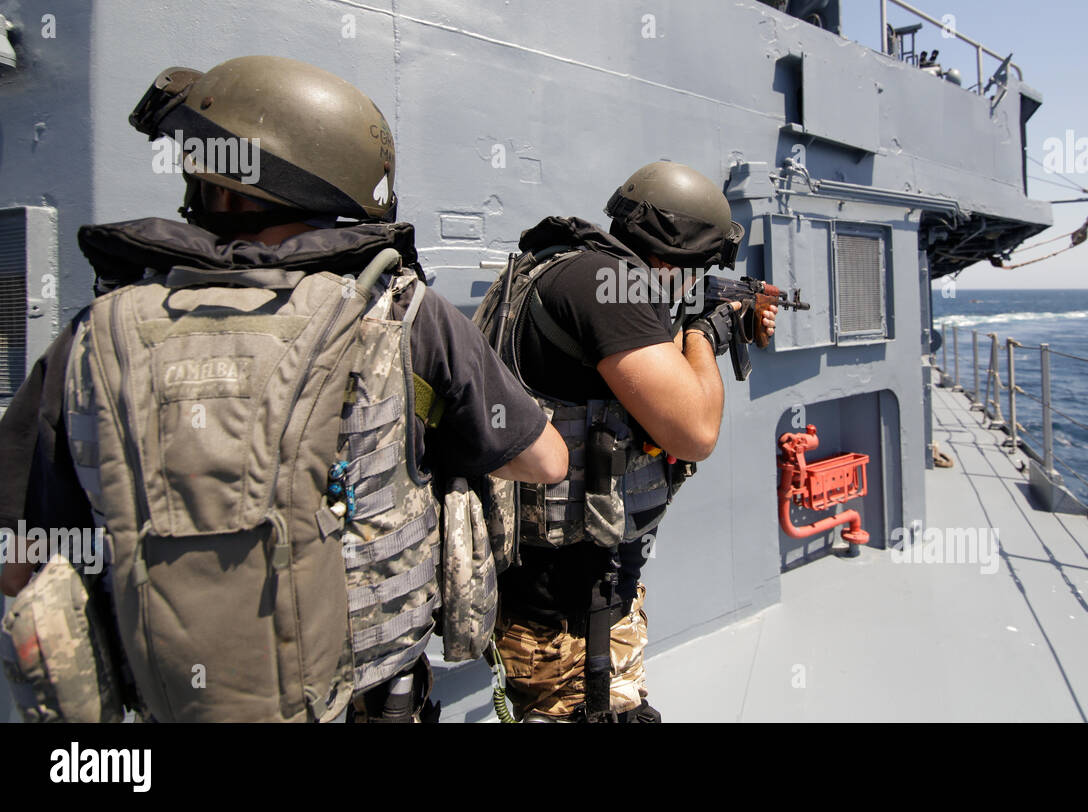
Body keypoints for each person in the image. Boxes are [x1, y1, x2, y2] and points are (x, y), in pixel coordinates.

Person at [0, 55, 568, 723]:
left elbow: (21, 564)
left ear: (216, 189)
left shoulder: (100, 331)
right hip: (366, 703)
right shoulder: (405, 313)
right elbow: (545, 460)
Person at [480, 161, 776, 722]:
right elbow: (696, 433)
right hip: (573, 621)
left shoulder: (561, 269)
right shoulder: (608, 289)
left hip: (550, 595)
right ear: (680, 259)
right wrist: (704, 331)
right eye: (700, 269)